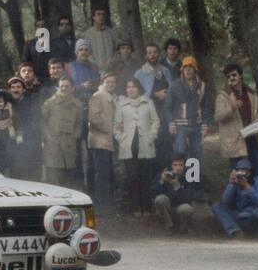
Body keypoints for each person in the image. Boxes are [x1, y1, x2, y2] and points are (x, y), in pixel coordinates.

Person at [114, 77, 159, 214]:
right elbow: (116, 126)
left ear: (138, 88)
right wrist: (121, 139)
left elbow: (155, 121)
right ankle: (135, 208)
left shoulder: (148, 102)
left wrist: (152, 136)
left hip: (145, 145)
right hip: (128, 146)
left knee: (145, 177)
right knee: (132, 178)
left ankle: (146, 207)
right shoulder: (121, 104)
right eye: (128, 87)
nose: (131, 89)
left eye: (133, 87)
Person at [214, 62, 258, 177]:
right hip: (235, 140)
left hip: (251, 136)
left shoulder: (251, 93)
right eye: (228, 76)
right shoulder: (224, 95)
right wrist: (232, 107)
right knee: (239, 176)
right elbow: (218, 116)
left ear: (240, 75)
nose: (231, 78)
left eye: (234, 75)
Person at [211, 157, 258, 238]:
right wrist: (232, 184)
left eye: (245, 171)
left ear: (250, 171)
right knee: (217, 206)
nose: (242, 174)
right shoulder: (236, 181)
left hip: (251, 214)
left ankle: (257, 235)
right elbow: (225, 201)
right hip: (239, 214)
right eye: (240, 171)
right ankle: (235, 231)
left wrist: (247, 186)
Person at [41, 76, 83, 187]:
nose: (63, 89)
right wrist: (48, 137)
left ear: (73, 88)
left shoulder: (78, 104)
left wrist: (75, 135)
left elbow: (79, 123)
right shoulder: (49, 103)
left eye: (66, 86)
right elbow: (42, 122)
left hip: (70, 146)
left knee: (68, 181)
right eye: (61, 86)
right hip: (53, 146)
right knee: (54, 181)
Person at [166, 57, 209, 163]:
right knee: (180, 152)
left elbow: (206, 106)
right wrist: (171, 122)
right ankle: (181, 177)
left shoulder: (202, 85)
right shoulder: (174, 85)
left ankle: (193, 177)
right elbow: (167, 107)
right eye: (185, 67)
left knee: (196, 153)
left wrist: (205, 123)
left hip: (196, 125)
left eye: (191, 67)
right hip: (180, 126)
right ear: (182, 69)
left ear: (195, 70)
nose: (188, 70)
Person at [151, 155, 207, 234]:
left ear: (184, 166)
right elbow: (152, 193)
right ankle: (169, 226)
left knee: (187, 209)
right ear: (171, 166)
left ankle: (182, 230)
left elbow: (188, 197)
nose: (178, 167)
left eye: (181, 165)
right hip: (166, 207)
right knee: (160, 199)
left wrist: (177, 186)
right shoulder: (163, 175)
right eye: (175, 165)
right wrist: (162, 181)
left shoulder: (188, 177)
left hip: (180, 207)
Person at [86, 72, 118, 213]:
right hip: (99, 141)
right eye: (108, 82)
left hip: (107, 141)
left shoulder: (112, 98)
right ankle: (101, 207)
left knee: (107, 174)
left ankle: (106, 205)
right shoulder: (97, 96)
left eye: (113, 82)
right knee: (102, 175)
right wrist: (112, 129)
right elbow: (94, 119)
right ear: (102, 83)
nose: (111, 84)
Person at [83, 7, 117, 72]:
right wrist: (95, 64)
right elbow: (86, 51)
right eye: (98, 14)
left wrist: (111, 62)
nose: (101, 17)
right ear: (94, 17)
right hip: (94, 68)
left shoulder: (111, 32)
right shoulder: (88, 33)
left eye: (103, 14)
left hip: (111, 68)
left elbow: (116, 50)